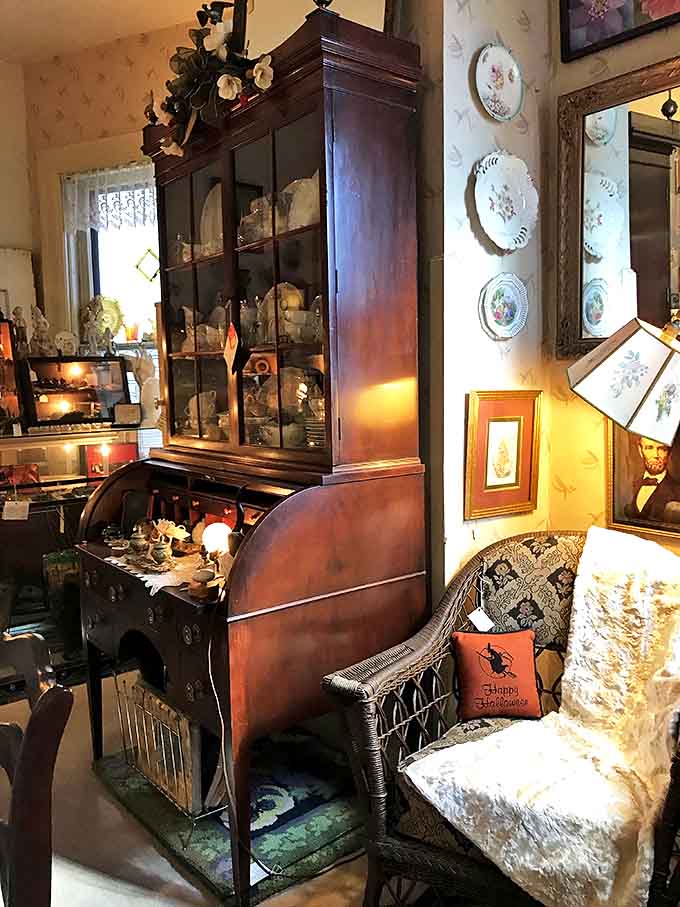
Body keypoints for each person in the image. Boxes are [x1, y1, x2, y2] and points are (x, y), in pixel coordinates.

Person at [625, 436, 680, 522]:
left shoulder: (677, 491)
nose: (655, 455)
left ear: (669, 452)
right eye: (649, 448)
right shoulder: (631, 485)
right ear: (640, 450)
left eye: (662, 449)